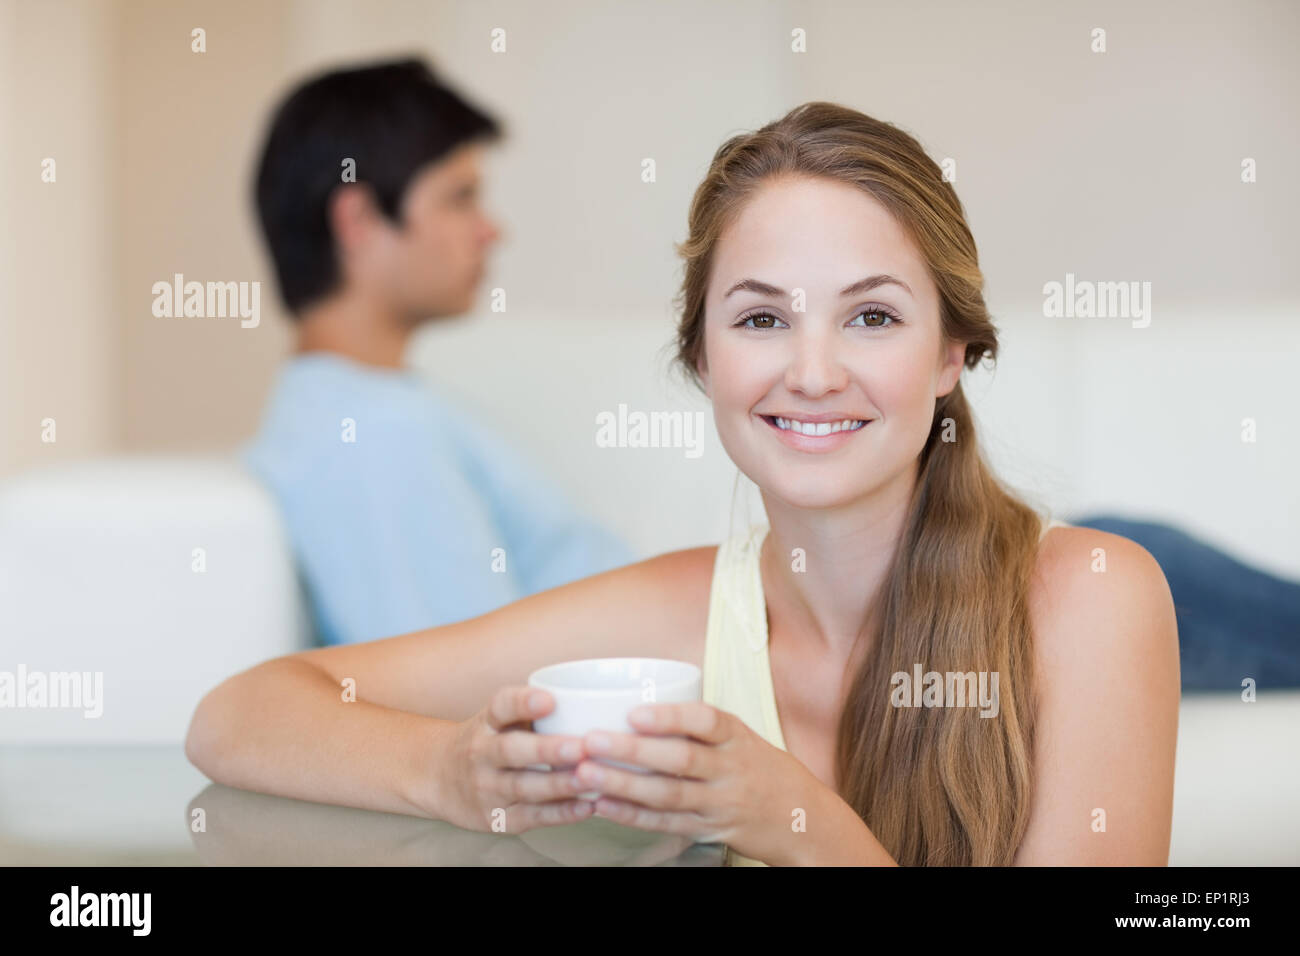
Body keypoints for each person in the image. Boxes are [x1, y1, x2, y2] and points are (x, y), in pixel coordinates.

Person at [189, 101, 1180, 866]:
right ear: (703, 358)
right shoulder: (671, 611)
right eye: (759, 319)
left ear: (950, 351)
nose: (813, 370)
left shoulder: (1094, 600)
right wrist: (447, 772)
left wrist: (790, 816)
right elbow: (239, 713)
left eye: (871, 316)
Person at [241, 59, 635, 646]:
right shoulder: (372, 435)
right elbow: (471, 694)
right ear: (359, 218)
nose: (491, 231)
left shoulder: (372, 410)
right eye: (460, 198)